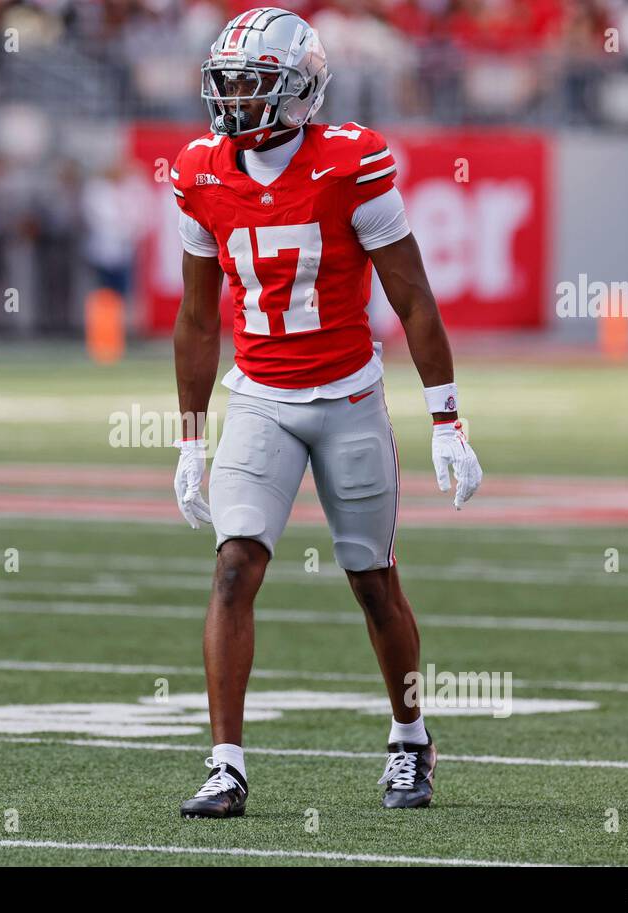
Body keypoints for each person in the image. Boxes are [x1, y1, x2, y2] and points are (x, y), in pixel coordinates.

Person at [170, 7, 483, 818]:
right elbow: (199, 318)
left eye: (253, 84)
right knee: (235, 564)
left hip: (347, 397)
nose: (234, 99)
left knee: (373, 583)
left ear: (300, 90)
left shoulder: (352, 162)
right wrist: (189, 436)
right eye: (228, 82)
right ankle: (226, 765)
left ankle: (411, 739)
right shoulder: (201, 170)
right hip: (261, 399)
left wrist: (446, 418)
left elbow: (410, 297)